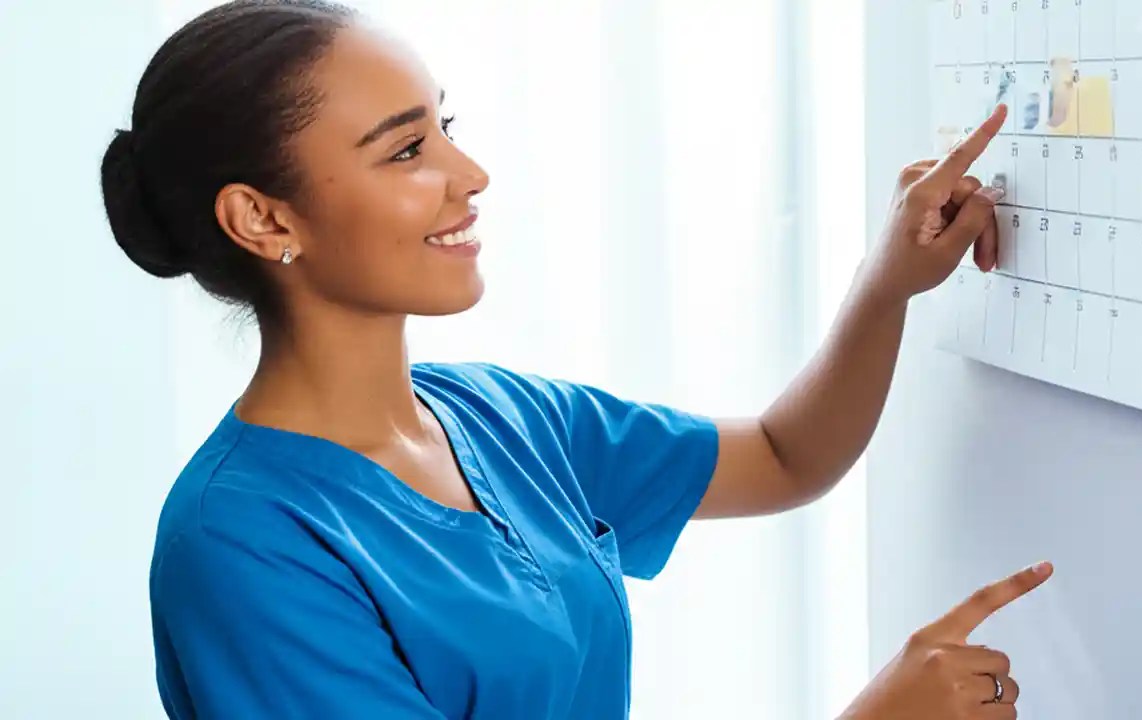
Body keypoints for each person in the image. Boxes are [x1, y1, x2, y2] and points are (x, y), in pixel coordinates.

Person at [99, 1, 1051, 718]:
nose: (469, 177)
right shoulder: (241, 544)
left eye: (446, 126)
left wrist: (885, 285)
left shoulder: (498, 419)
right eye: (404, 151)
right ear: (264, 218)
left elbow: (784, 454)